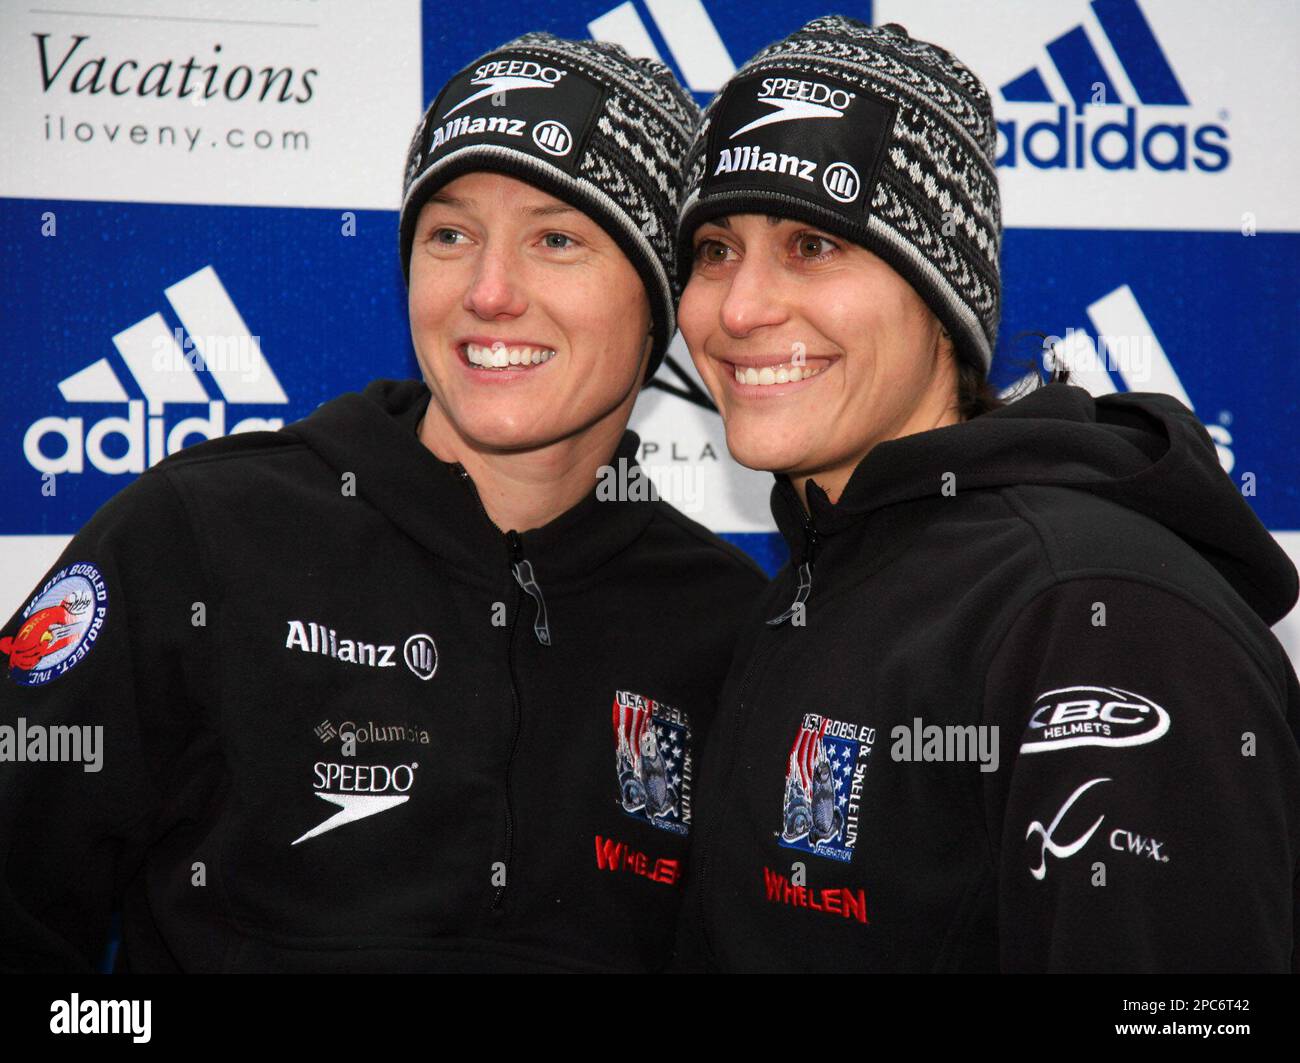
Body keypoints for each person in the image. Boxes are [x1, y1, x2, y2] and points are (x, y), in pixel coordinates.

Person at [0, 32, 766, 973]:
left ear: (660, 302)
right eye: (450, 235)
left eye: (556, 239)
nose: (489, 293)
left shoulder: (729, 621)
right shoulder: (196, 534)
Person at [670, 16, 1300, 972]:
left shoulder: (1095, 612)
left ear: (941, 300)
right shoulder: (814, 580)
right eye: (714, 249)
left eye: (812, 245)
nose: (741, 307)